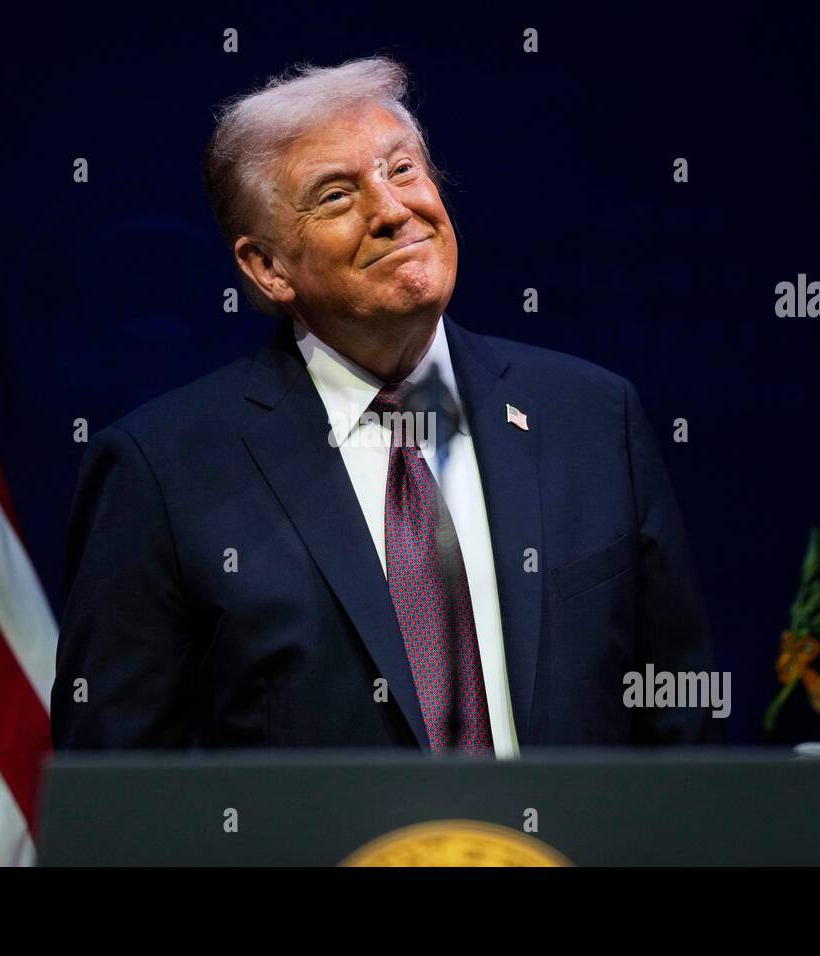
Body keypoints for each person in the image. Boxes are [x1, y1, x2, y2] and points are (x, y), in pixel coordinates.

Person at [52, 57, 712, 756]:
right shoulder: (164, 471)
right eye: (337, 196)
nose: (393, 210)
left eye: (403, 170)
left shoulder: (591, 417)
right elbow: (117, 787)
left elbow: (679, 724)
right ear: (267, 268)